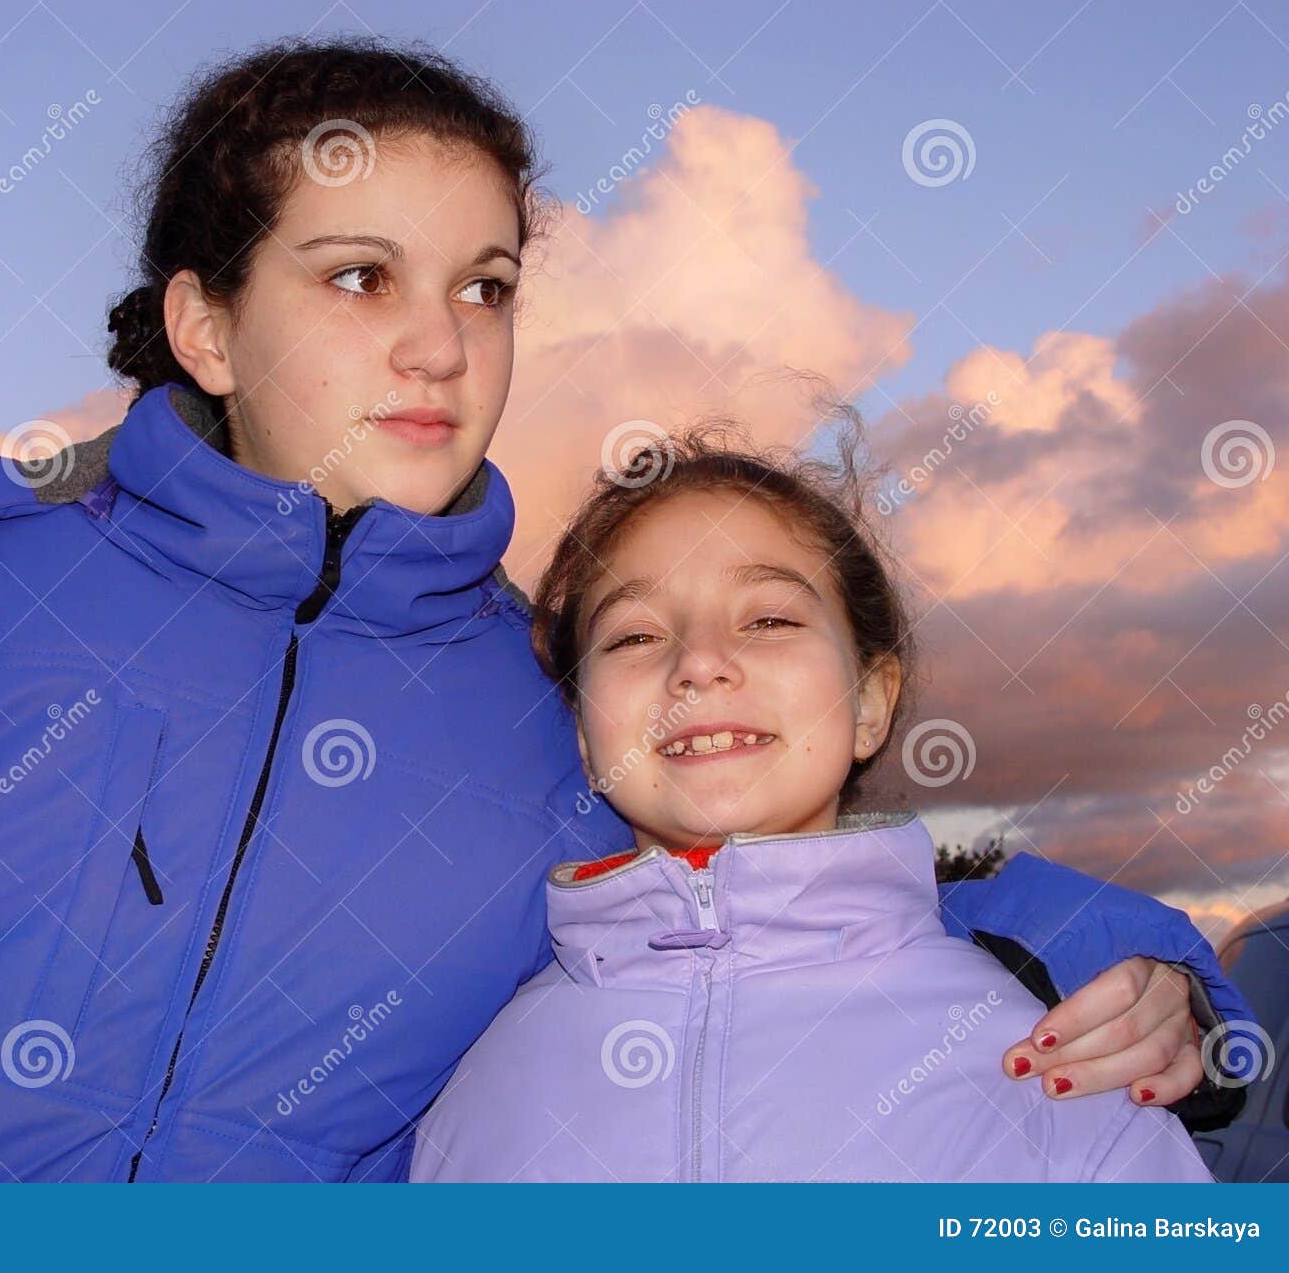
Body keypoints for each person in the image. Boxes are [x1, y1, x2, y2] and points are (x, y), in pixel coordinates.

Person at [0, 39, 1250, 1183]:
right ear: (207, 325)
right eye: (362, 279)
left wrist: (1145, 965)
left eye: (487, 285)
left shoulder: (549, 699)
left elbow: (800, 902)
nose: (442, 348)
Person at [411, 425, 1220, 1182]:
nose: (699, 662)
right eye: (634, 636)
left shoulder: (1058, 1057)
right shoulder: (468, 1081)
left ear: (870, 700)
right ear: (585, 735)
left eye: (767, 618)